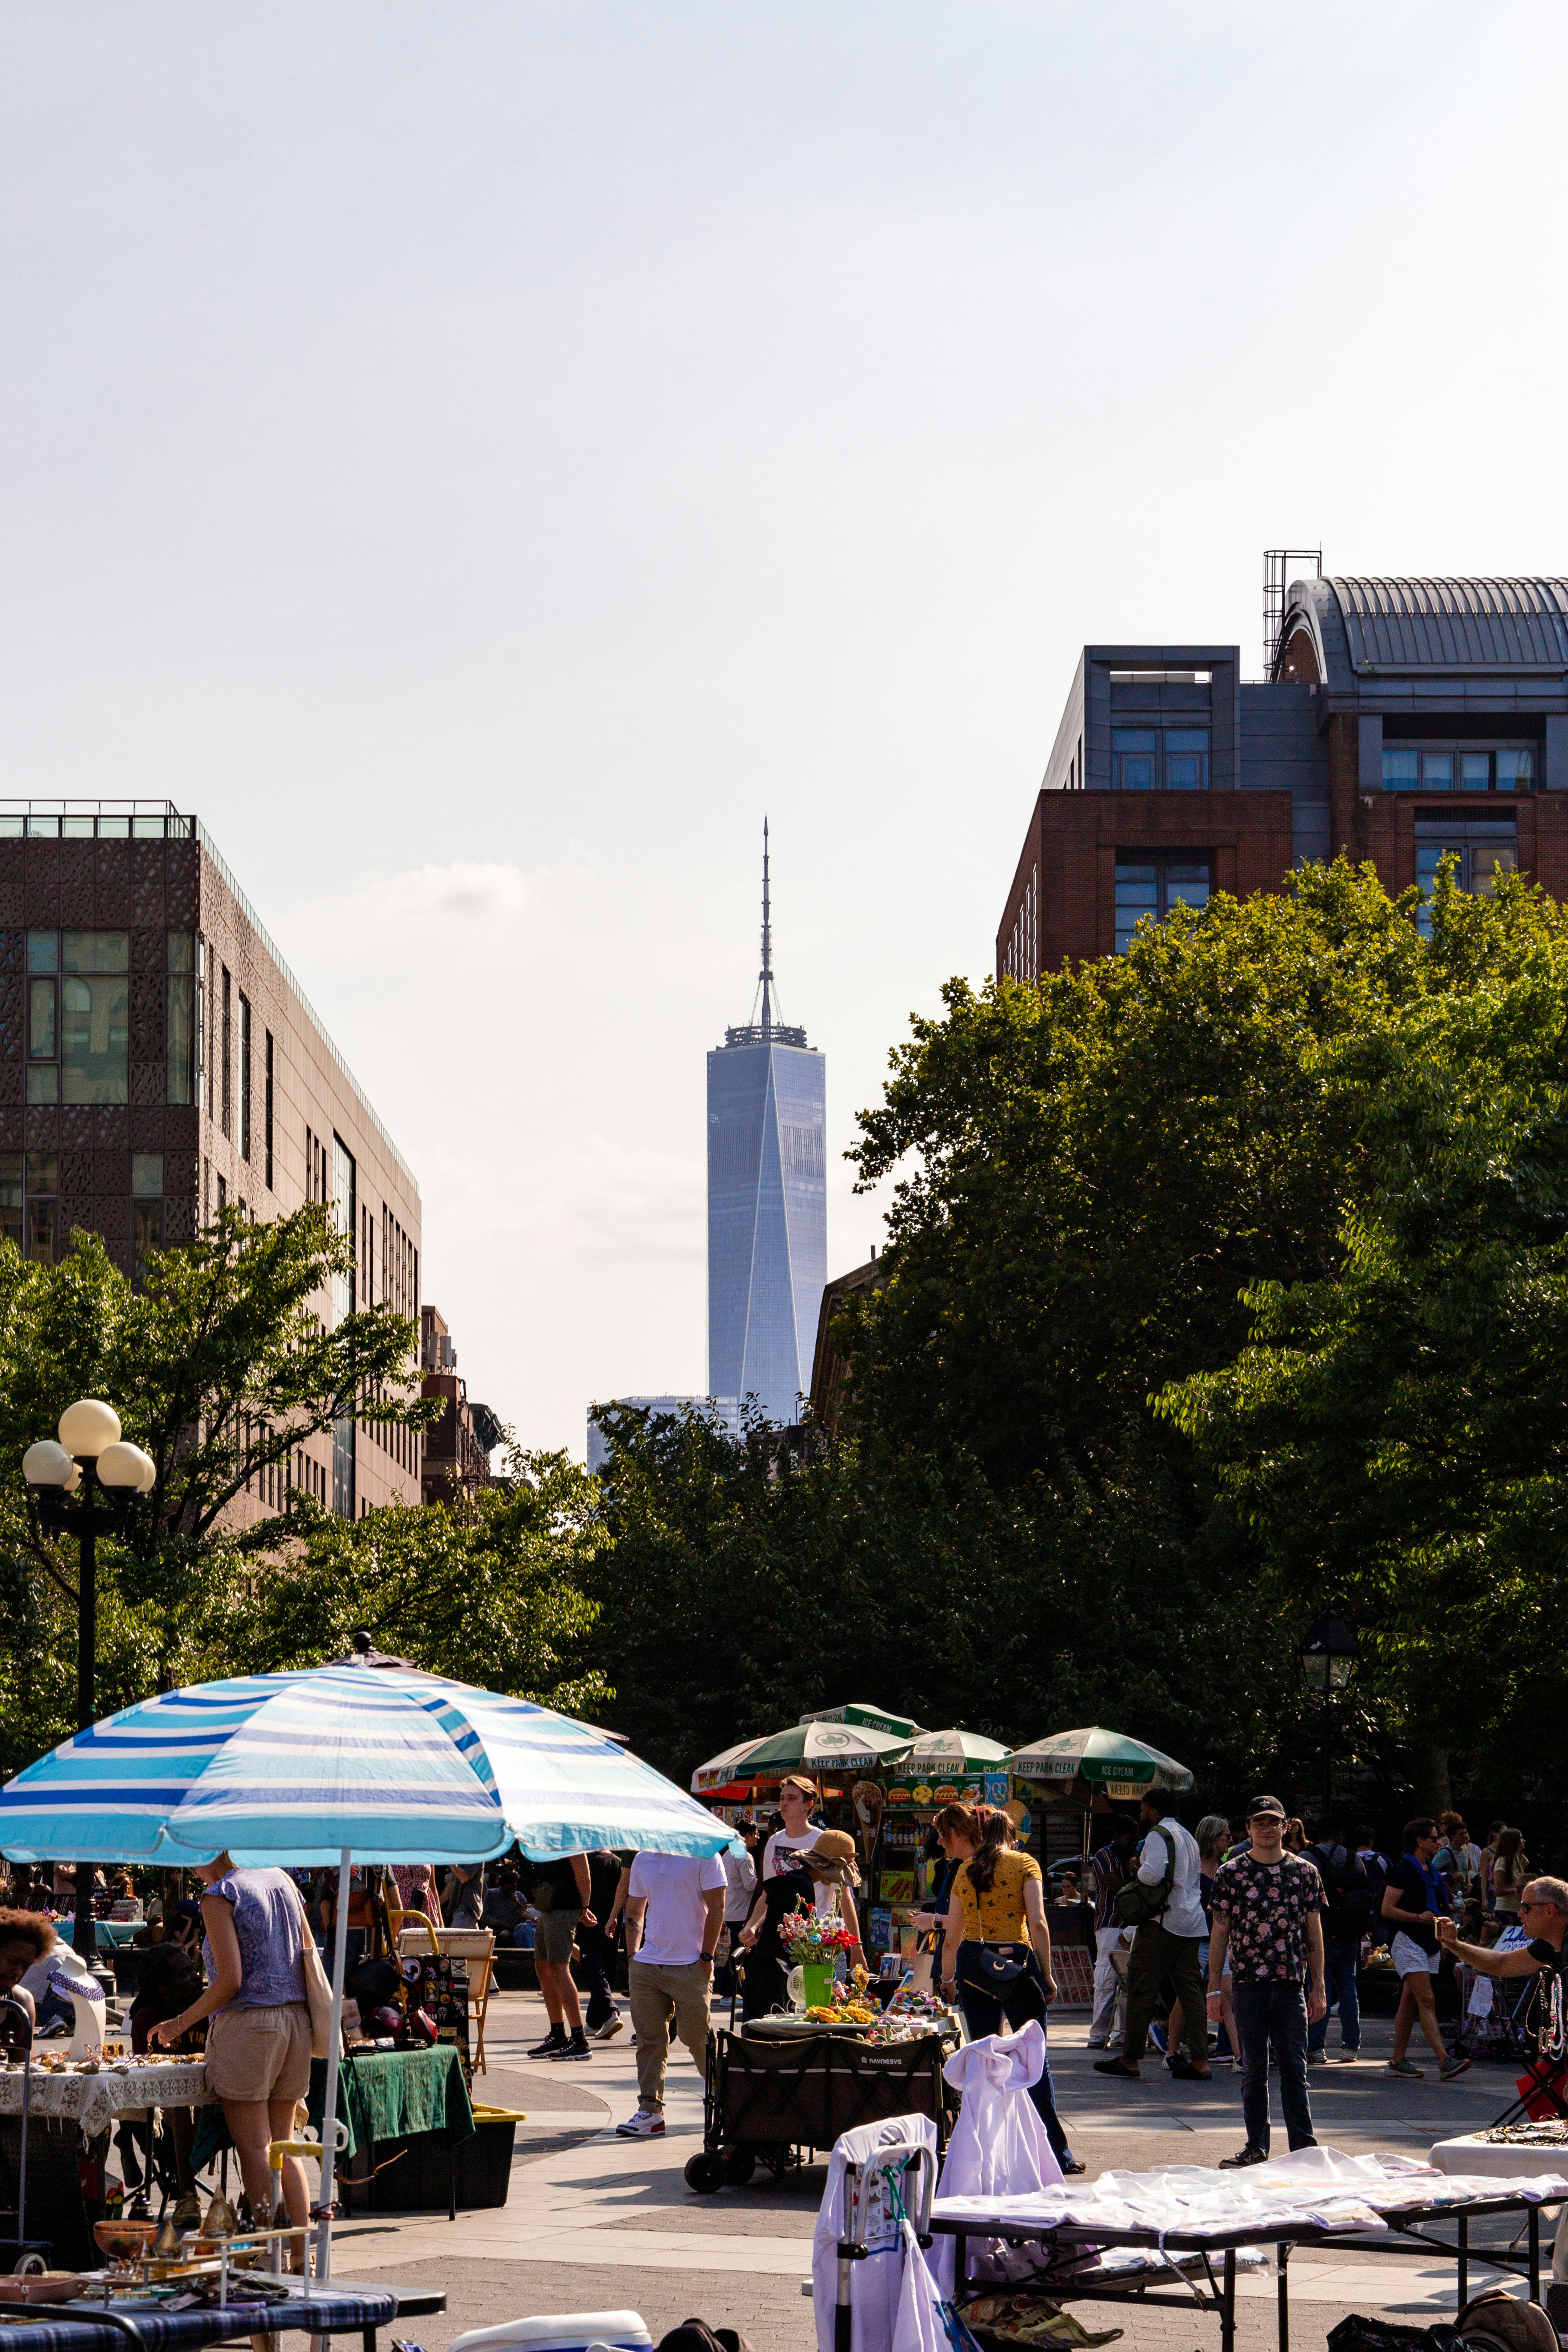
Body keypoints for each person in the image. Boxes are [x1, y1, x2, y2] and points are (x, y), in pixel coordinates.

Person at [149, 1855, 312, 2257]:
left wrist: (179, 2023)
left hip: (252, 2026)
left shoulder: (220, 1894)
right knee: (285, 2145)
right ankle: (299, 2254)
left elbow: (230, 1979)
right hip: (297, 2022)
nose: (192, 1870)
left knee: (256, 2148)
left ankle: (263, 2252)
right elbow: (308, 1952)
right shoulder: (281, 1880)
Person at [940, 1807, 1081, 2174]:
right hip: (1017, 1962)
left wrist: (947, 1979)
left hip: (974, 1962)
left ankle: (986, 2152)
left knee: (986, 2058)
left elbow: (952, 1937)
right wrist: (1047, 1975)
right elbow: (1037, 1921)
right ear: (1010, 1832)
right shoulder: (1025, 1864)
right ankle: (1056, 2154)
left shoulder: (964, 1870)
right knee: (1034, 2058)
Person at [1206, 1793, 1327, 2168]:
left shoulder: (1305, 1872)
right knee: (1253, 2070)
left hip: (1291, 1983)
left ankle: (1304, 2149)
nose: (1266, 1828)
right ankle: (1256, 2146)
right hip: (1247, 1983)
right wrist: (1213, 1987)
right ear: (1248, 1828)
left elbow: (1314, 1931)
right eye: (1259, 1822)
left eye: (1273, 1822)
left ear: (1285, 1827)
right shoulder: (1231, 1873)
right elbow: (1220, 1932)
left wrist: (1319, 1986)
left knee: (1295, 2069)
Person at [1095, 1789, 1210, 2083]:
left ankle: (1130, 2059)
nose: (1141, 1815)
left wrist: (1136, 1868)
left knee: (1140, 1987)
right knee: (1191, 1994)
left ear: (1154, 1810)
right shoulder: (1188, 1836)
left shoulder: (1159, 1835)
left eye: (1144, 1809)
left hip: (1162, 1922)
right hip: (1191, 1922)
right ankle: (1200, 2061)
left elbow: (1153, 1875)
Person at [615, 1848, 728, 2139]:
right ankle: (651, 2111)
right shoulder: (643, 1859)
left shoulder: (705, 1856)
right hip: (648, 1965)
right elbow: (636, 1908)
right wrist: (633, 1957)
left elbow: (718, 1907)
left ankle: (729, 2099)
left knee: (697, 2038)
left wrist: (706, 1957)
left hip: (690, 1964)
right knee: (649, 2040)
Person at [738, 1831, 862, 2019]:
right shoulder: (802, 1887)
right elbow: (792, 1944)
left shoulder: (795, 1879)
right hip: (775, 1978)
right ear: (827, 1866)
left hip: (767, 1972)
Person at [1381, 1816, 1469, 2079]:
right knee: (1427, 2000)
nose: (1439, 1842)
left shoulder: (1431, 1870)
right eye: (1434, 1838)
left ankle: (1397, 2062)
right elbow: (1387, 1909)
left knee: (1409, 2003)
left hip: (1429, 1941)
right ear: (1419, 1842)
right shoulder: (1402, 1871)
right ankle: (1444, 2061)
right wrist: (1418, 1918)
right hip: (1408, 1940)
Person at [1303, 1820, 1372, 2065]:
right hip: (1350, 1934)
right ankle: (1351, 2047)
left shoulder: (1308, 1858)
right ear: (1340, 1835)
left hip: (1320, 1934)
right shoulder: (1356, 1860)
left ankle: (1316, 2048)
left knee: (1319, 1989)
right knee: (1348, 1990)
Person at [524, 1852, 595, 2061]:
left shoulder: (570, 1833)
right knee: (543, 1966)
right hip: (550, 1907)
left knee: (558, 1967)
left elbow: (584, 1875)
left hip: (565, 1907)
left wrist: (584, 1908)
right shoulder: (549, 1833)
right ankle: (558, 2035)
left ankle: (579, 2041)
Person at [1087, 1817, 1138, 2050]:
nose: (1134, 1841)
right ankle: (1098, 2035)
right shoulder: (1104, 1856)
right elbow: (1115, 1884)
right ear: (1118, 1836)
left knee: (1128, 1982)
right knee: (1107, 1980)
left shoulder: (1134, 1857)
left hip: (1132, 1924)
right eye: (1131, 1837)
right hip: (1111, 1924)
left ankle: (1121, 2035)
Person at [577, 1849, 628, 2039]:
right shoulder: (617, 1862)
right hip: (612, 1922)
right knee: (606, 1969)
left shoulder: (585, 1860)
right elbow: (623, 1892)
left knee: (591, 1970)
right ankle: (594, 2021)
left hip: (589, 1920)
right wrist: (615, 1917)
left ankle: (610, 2012)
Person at [763, 1779, 830, 1904]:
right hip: (781, 1921)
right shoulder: (774, 1841)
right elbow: (768, 1894)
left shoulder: (825, 1841)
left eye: (792, 1798)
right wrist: (752, 1924)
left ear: (808, 1805)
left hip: (816, 1921)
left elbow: (845, 1897)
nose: (784, 1803)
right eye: (782, 1798)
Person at [717, 1820, 758, 1999]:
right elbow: (750, 1885)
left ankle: (732, 1992)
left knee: (738, 1952)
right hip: (743, 1913)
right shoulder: (745, 1856)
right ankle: (729, 1993)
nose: (758, 1837)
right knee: (741, 1955)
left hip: (732, 1911)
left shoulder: (727, 1854)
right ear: (747, 1836)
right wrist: (766, 1883)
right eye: (756, 1834)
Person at [1493, 1830, 1529, 1927]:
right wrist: (1518, 1891)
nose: (1524, 1841)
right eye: (1521, 1839)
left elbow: (1527, 1862)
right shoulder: (1503, 1861)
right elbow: (1498, 1891)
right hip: (1506, 1911)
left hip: (1516, 1909)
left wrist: (1519, 1851)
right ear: (1513, 1842)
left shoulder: (1515, 1859)